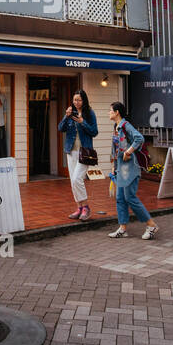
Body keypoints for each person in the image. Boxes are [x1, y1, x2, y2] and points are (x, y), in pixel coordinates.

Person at [106, 101, 158, 240]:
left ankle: (151, 225)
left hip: (130, 168)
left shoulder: (125, 125)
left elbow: (139, 138)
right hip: (121, 169)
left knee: (130, 197)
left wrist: (128, 151)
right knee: (120, 198)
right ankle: (123, 229)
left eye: (110, 110)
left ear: (117, 112)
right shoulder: (116, 127)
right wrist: (114, 167)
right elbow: (115, 149)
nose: (108, 113)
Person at [59, 90, 99, 221]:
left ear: (84, 100)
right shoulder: (71, 113)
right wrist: (66, 116)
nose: (76, 102)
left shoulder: (89, 113)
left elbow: (94, 132)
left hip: (85, 152)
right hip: (71, 151)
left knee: (77, 179)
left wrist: (82, 121)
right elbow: (60, 128)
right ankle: (79, 208)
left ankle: (86, 207)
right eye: (75, 100)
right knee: (73, 181)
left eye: (79, 100)